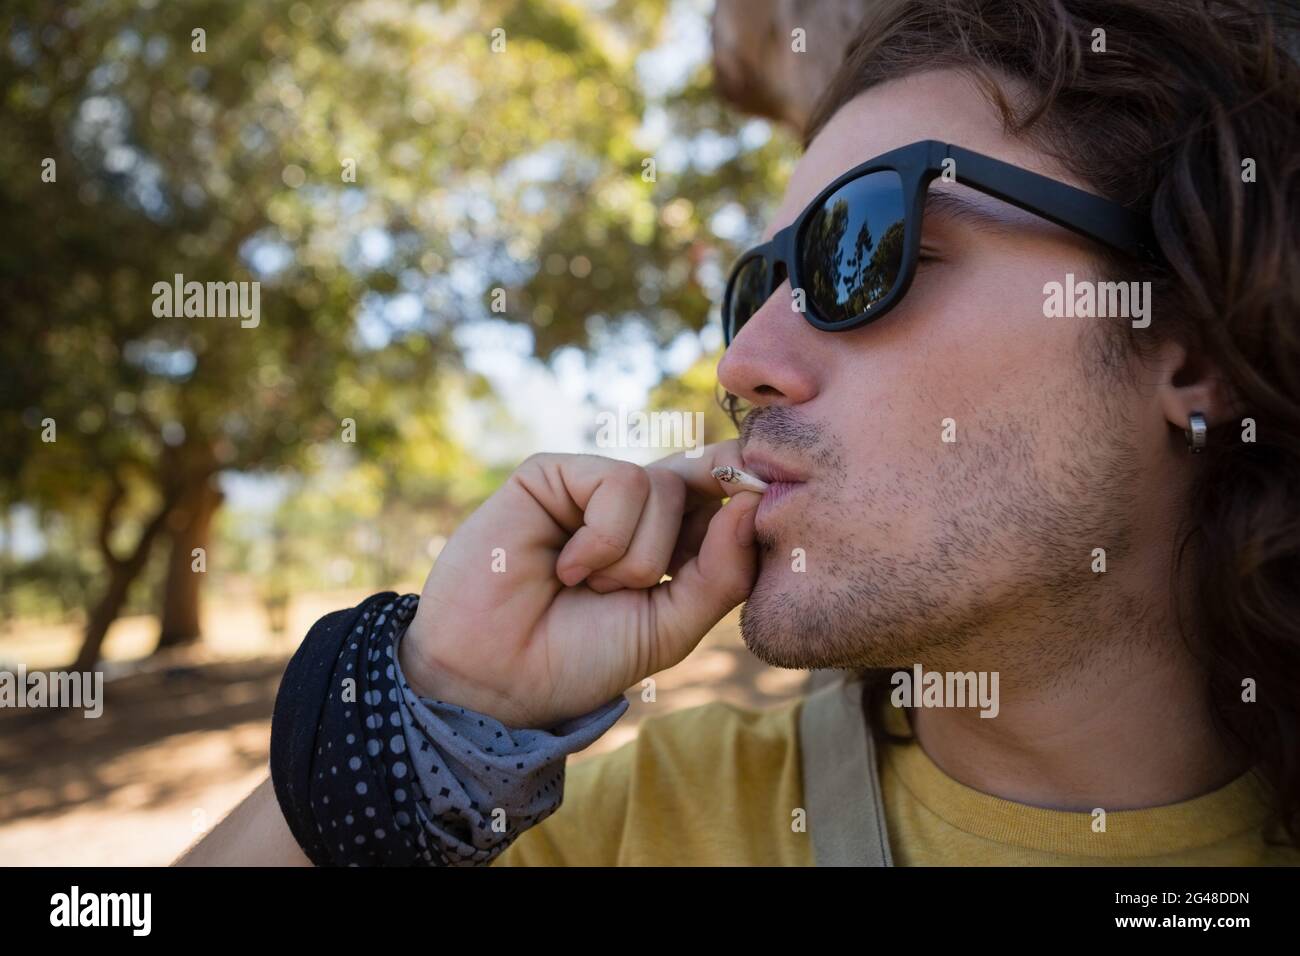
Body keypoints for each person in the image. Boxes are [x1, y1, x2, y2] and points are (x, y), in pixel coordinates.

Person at [180, 0, 1300, 866]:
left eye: (860, 247)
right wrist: (429, 714)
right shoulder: (644, 826)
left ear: (1187, 345)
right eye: (754, 286)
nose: (740, 367)